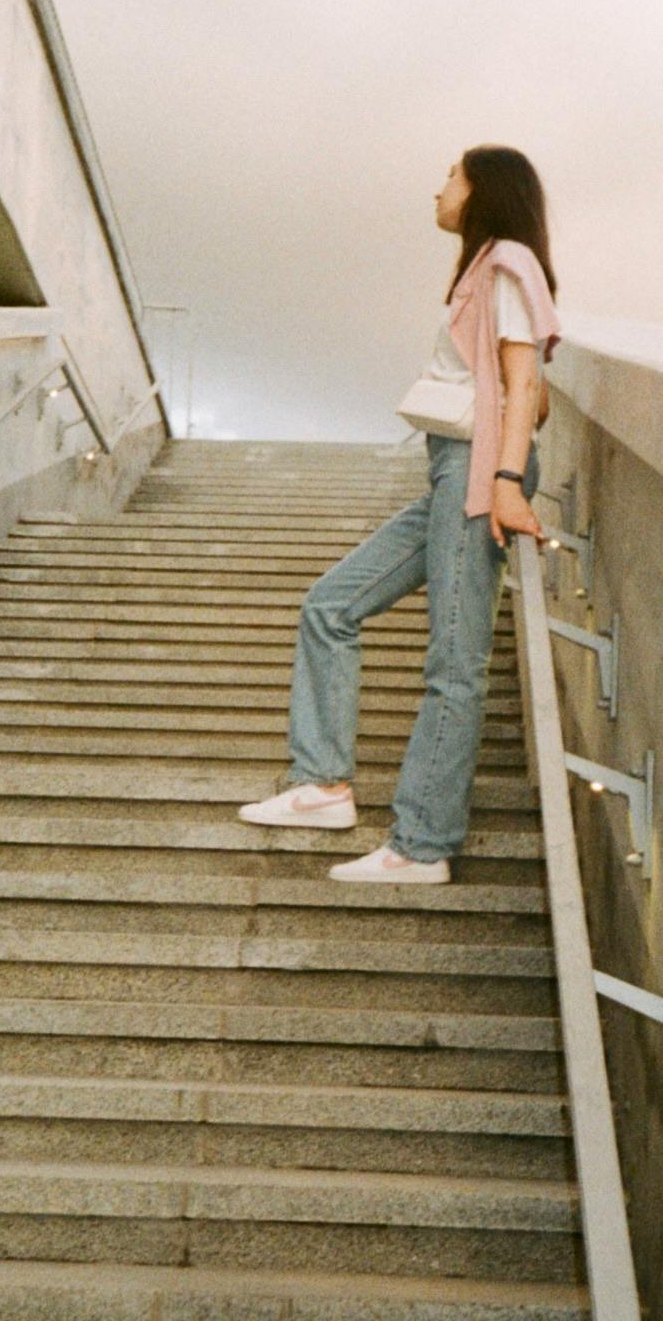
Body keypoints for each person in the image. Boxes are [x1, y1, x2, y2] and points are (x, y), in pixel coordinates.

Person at [238, 145, 561, 885]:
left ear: (483, 190)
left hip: (479, 469)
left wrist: (506, 479)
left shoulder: (509, 260)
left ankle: (422, 844)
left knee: (455, 663)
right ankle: (321, 786)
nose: (438, 189)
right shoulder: (486, 269)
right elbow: (526, 388)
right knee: (330, 604)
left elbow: (524, 382)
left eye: (451, 176)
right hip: (453, 467)